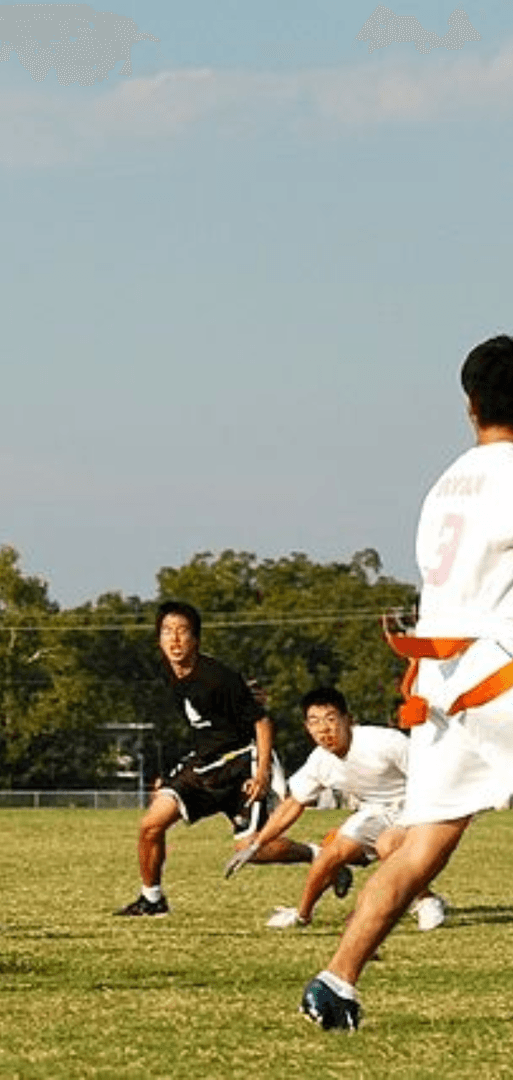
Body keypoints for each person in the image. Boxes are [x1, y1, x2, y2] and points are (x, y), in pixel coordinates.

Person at [301, 335, 513, 1031]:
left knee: (421, 847)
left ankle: (336, 980)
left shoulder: (445, 485)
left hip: (443, 689)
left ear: (470, 406)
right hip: (500, 675)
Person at [116, 601, 314, 918]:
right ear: (158, 638)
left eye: (182, 631)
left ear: (196, 639)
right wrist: (163, 773)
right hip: (205, 762)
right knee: (150, 825)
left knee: (252, 849)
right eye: (167, 631)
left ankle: (319, 854)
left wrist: (262, 774)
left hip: (241, 763)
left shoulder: (217, 677)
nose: (174, 639)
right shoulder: (167, 670)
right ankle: (152, 899)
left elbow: (262, 722)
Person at [225, 687, 444, 931]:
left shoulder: (384, 742)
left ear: (348, 720)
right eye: (314, 721)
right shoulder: (320, 761)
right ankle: (302, 915)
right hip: (375, 812)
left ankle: (426, 900)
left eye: (330, 719)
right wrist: (257, 843)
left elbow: (430, 776)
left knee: (388, 844)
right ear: (307, 727)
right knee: (331, 853)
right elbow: (294, 804)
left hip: (418, 806)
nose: (323, 728)